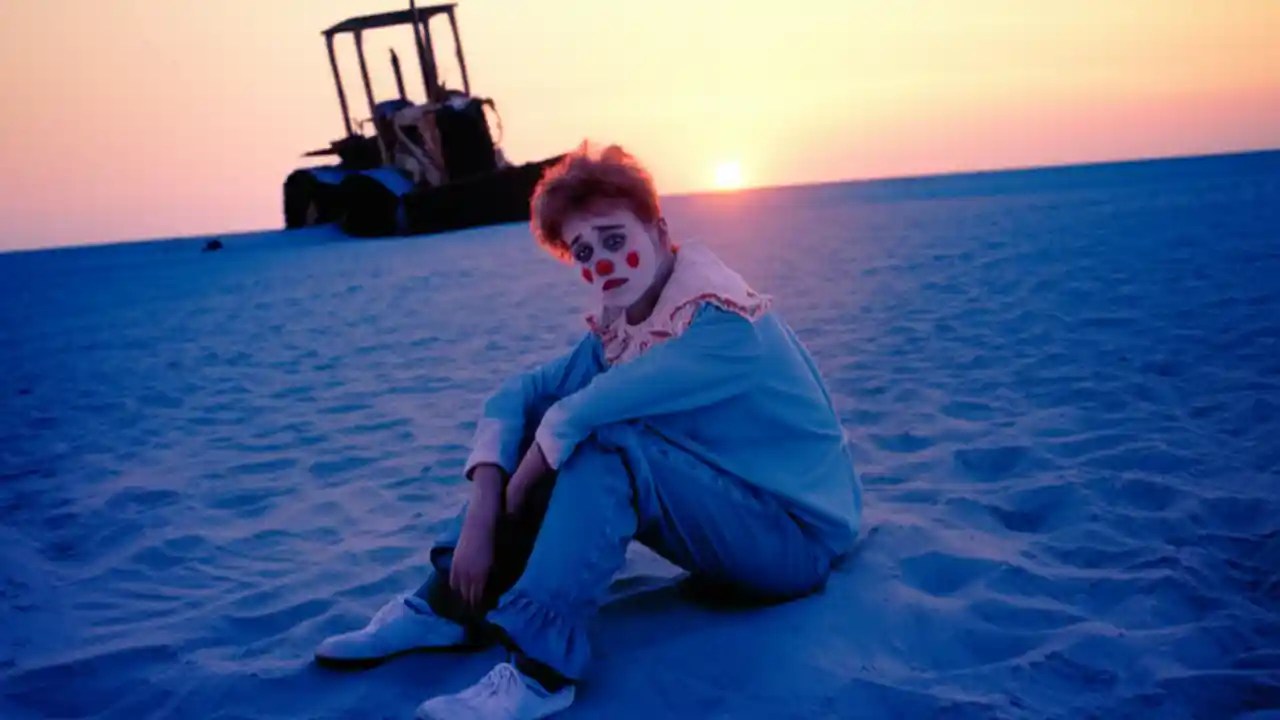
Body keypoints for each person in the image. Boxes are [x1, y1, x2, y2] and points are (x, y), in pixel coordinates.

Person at [314, 143, 862, 720]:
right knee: (564, 421)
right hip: (730, 513)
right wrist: (481, 513)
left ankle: (541, 673)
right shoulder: (626, 325)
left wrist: (520, 488)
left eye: (615, 239)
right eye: (584, 250)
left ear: (658, 229)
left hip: (794, 540)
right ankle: (444, 606)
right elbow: (519, 395)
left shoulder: (719, 322)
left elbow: (574, 416)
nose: (602, 262)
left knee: (604, 440)